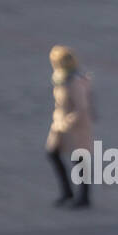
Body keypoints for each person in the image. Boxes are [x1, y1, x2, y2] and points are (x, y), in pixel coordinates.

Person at [44, 46, 95, 209]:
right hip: (60, 125)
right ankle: (67, 192)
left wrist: (68, 122)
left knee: (80, 161)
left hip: (75, 127)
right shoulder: (61, 78)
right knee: (53, 154)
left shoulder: (74, 82)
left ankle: (83, 197)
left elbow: (82, 107)